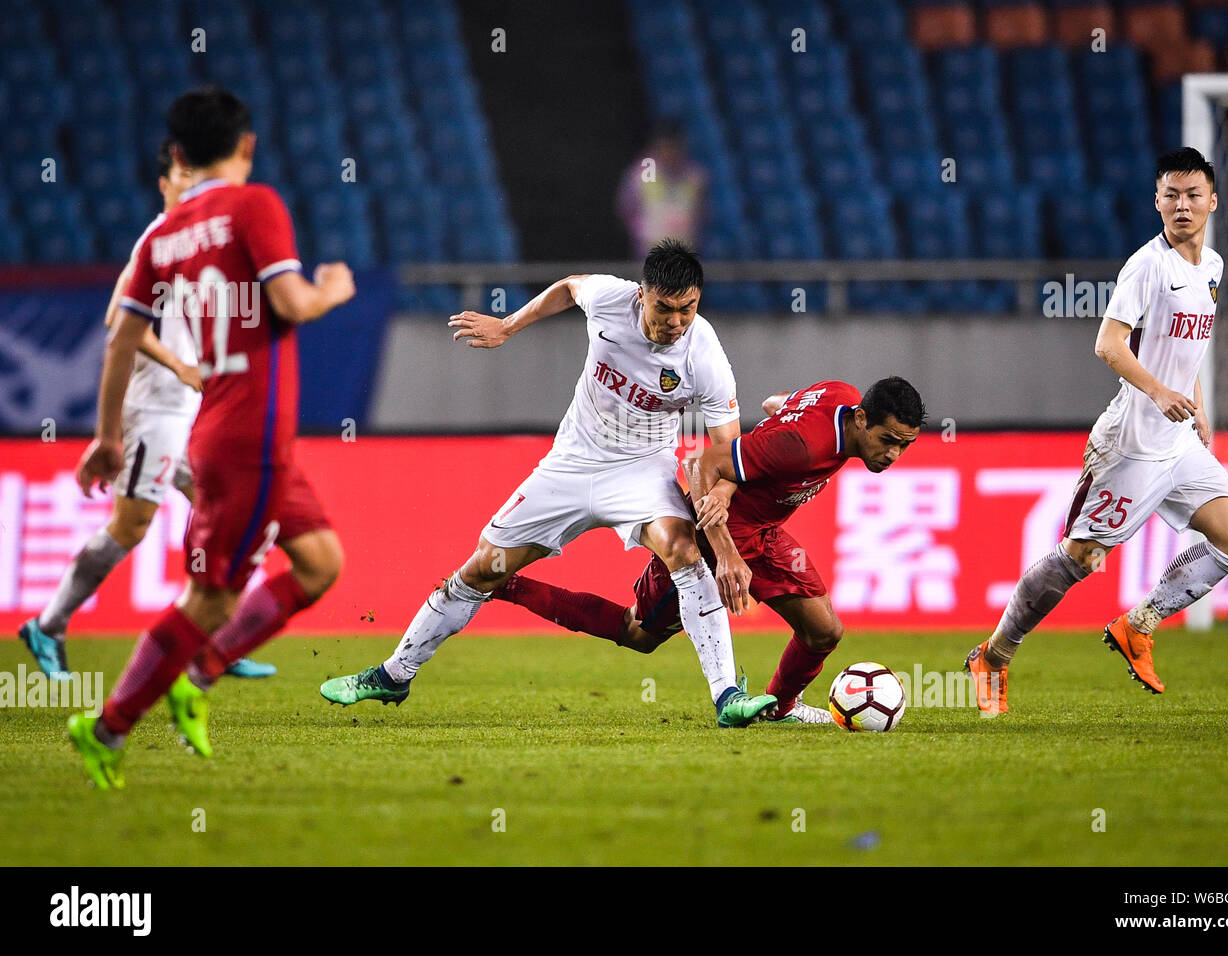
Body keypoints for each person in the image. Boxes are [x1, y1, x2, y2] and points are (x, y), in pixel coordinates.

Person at [320, 239, 777, 727]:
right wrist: (508, 326)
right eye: (665, 309)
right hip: (570, 464)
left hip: (642, 468)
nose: (676, 322)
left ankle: (726, 696)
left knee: (683, 551)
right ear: (642, 295)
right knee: (484, 568)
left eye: (687, 309)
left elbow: (723, 454)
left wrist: (724, 533)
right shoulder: (608, 297)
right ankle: (394, 673)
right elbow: (567, 288)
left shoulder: (704, 355)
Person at [69, 86, 355, 788]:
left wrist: (109, 436)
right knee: (212, 600)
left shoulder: (163, 235)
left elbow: (121, 340)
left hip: (226, 429)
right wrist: (332, 290)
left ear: (177, 154)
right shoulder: (255, 203)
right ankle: (108, 726)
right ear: (247, 146)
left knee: (320, 561)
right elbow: (292, 303)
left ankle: (198, 675)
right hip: (246, 438)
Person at [965, 147, 1228, 716]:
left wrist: (1194, 402)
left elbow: (1181, 348)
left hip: (1177, 439)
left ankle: (1137, 625)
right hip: (1132, 441)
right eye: (1170, 195)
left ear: (1213, 202)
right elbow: (1109, 343)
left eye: (1193, 194)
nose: (1182, 205)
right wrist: (1160, 393)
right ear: (1157, 202)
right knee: (1080, 557)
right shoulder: (1147, 266)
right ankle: (994, 655)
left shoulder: (1212, 267)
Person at [493, 377, 926, 724]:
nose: (892, 454)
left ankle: (781, 707)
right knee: (638, 634)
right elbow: (700, 463)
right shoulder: (802, 447)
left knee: (824, 631)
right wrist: (727, 553)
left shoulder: (840, 395)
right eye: (887, 439)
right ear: (861, 418)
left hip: (765, 533)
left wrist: (751, 461)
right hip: (710, 535)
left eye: (904, 445)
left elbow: (778, 404)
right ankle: (508, 584)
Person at [19, 138, 274, 682]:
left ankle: (206, 633)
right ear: (164, 184)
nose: (191, 186)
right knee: (131, 526)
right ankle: (48, 623)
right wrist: (178, 364)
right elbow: (119, 319)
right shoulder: (156, 242)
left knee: (224, 513)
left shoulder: (196, 244)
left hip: (190, 409)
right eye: (181, 177)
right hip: (154, 407)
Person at [616, 120, 707, 259]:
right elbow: (626, 209)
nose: (669, 153)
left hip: (684, 253)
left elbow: (702, 212)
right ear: (657, 147)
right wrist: (641, 234)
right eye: (665, 147)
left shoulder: (694, 175)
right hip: (648, 252)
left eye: (673, 147)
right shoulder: (642, 173)